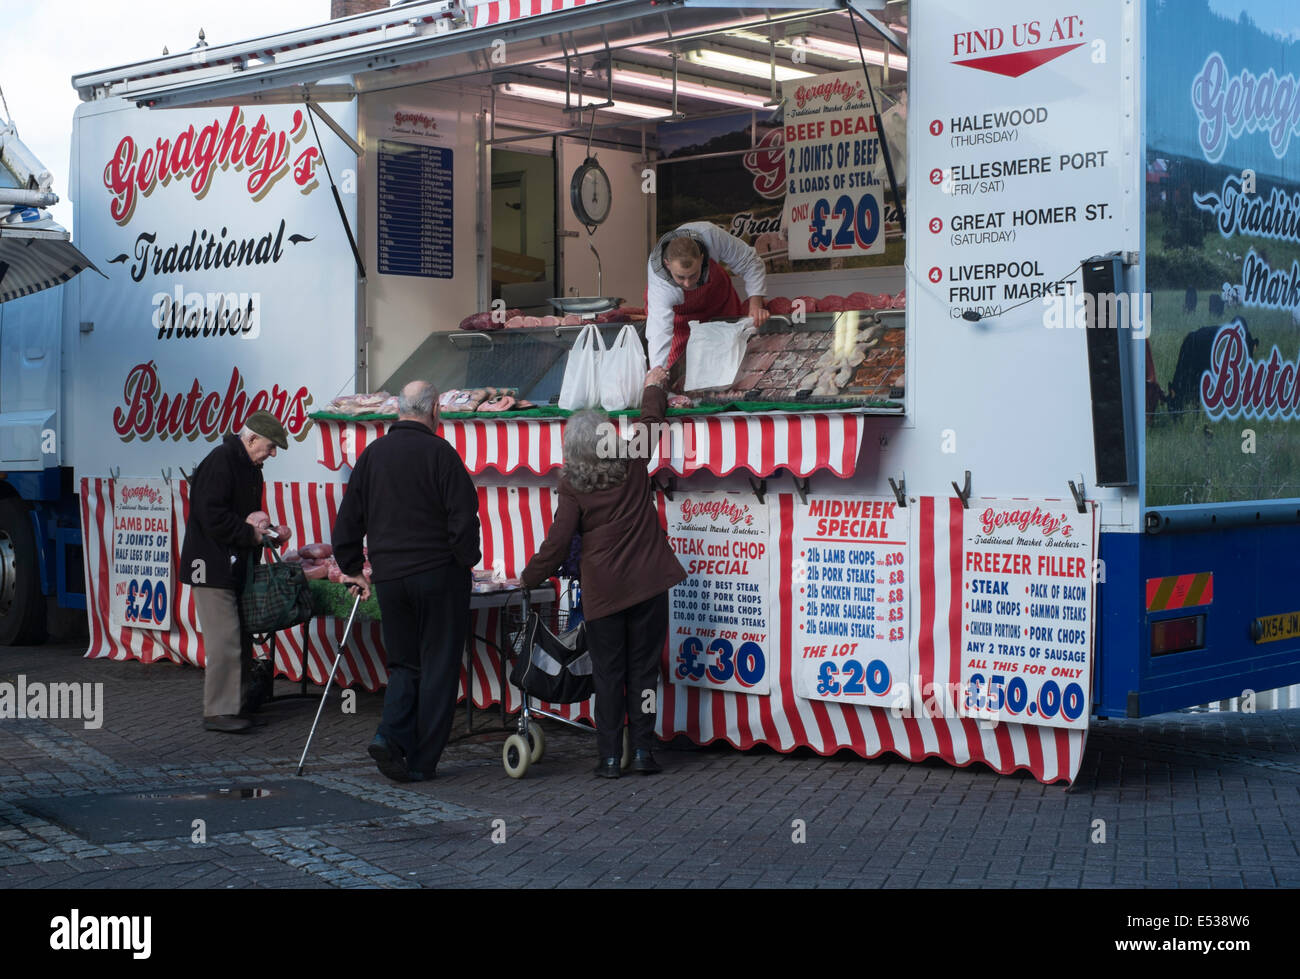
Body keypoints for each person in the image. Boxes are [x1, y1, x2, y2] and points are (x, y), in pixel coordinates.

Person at [519, 366, 687, 778]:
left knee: (609, 675)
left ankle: (610, 757)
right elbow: (651, 422)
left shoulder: (572, 485)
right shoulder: (631, 459)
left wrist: (529, 577)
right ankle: (644, 751)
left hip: (605, 593)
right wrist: (653, 385)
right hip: (648, 584)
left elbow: (558, 543)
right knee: (644, 672)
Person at [332, 380, 481, 783]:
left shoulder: (372, 455)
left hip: (391, 577)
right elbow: (463, 517)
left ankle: (390, 735)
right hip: (438, 575)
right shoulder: (442, 454)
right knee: (438, 666)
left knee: (403, 664)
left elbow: (348, 520)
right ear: (435, 411)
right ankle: (420, 761)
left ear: (398, 410)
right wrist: (467, 561)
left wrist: (352, 567)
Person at [180, 411, 292, 734]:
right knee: (225, 640)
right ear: (252, 438)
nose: (272, 454)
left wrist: (267, 530)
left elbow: (243, 517)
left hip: (232, 566)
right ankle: (218, 712)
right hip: (211, 567)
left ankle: (238, 706)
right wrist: (252, 535)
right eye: (270, 447)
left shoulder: (247, 466)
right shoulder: (220, 462)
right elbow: (211, 516)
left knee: (240, 639)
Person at [645, 222, 770, 372]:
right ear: (667, 264)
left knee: (731, 360)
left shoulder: (710, 235)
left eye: (693, 275)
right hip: (680, 321)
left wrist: (755, 305)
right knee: (677, 372)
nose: (687, 283)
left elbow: (750, 261)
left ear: (702, 258)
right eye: (680, 277)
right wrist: (657, 373)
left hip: (717, 302)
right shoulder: (659, 282)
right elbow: (659, 329)